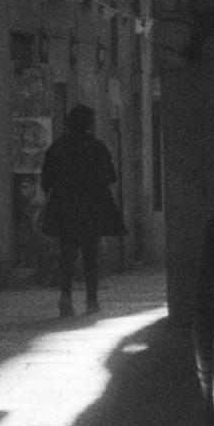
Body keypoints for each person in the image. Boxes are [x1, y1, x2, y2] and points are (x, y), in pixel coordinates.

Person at [39, 103, 125, 318]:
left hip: (65, 209)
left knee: (67, 254)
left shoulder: (57, 148)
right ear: (89, 124)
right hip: (91, 208)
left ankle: (66, 297)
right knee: (90, 254)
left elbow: (46, 180)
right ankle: (91, 300)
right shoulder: (96, 147)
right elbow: (110, 177)